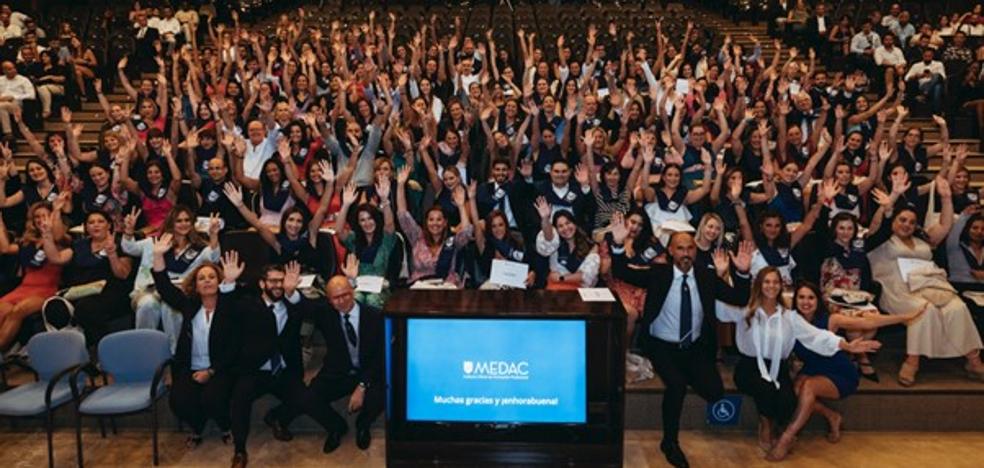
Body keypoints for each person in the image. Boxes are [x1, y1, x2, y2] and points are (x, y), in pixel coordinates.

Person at [608, 227, 752, 468]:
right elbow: (622, 271)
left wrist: (742, 272)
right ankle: (670, 443)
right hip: (661, 345)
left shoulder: (706, 277)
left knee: (715, 392)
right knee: (676, 386)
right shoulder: (658, 273)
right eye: (681, 248)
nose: (686, 253)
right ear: (670, 252)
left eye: (690, 248)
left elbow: (739, 298)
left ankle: (686, 373)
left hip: (694, 347)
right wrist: (618, 245)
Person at [714, 267, 881, 457]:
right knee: (766, 390)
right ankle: (766, 425)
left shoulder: (789, 317)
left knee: (787, 400)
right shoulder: (746, 309)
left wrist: (847, 346)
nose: (771, 286)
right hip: (749, 366)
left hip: (778, 367)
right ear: (759, 285)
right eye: (766, 281)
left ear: (781, 286)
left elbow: (817, 336)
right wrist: (720, 276)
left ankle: (784, 428)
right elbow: (720, 310)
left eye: (775, 282)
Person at [767, 281, 924, 460]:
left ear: (818, 301)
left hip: (838, 370)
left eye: (811, 297)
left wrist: (905, 317)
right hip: (813, 368)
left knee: (808, 386)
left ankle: (787, 437)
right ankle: (832, 416)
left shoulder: (831, 320)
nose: (806, 302)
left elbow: (867, 322)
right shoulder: (792, 321)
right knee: (796, 389)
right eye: (801, 297)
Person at [867, 180, 984, 385]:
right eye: (902, 220)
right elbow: (877, 223)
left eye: (912, 222)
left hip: (930, 286)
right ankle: (913, 361)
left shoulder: (923, 240)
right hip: (898, 289)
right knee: (924, 310)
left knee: (957, 307)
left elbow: (946, 225)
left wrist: (946, 198)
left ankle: (973, 360)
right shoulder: (881, 238)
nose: (907, 225)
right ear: (893, 220)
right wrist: (890, 201)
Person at [227, 262, 338, 468]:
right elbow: (227, 310)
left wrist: (293, 292)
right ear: (262, 284)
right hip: (255, 371)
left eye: (281, 280)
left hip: (285, 371)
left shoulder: (292, 304)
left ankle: (334, 427)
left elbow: (315, 312)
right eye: (273, 281)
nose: (278, 285)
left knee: (307, 397)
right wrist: (229, 282)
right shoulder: (249, 305)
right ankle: (240, 450)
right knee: (239, 399)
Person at [152, 239, 240, 448]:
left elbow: (234, 346)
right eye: (202, 278)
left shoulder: (230, 306)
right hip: (189, 368)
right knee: (178, 400)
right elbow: (165, 289)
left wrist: (211, 371)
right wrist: (157, 256)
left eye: (212, 277)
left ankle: (226, 426)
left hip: (221, 368)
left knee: (213, 398)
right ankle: (197, 427)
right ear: (195, 285)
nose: (207, 281)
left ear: (219, 282)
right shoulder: (189, 305)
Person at [294, 275, 385, 452]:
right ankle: (336, 427)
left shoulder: (373, 316)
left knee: (381, 395)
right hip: (338, 372)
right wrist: (291, 291)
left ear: (353, 292)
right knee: (308, 397)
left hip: (368, 372)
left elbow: (380, 357)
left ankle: (363, 425)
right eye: (336, 298)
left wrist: (362, 385)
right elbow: (303, 307)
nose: (342, 301)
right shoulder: (325, 313)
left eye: (346, 295)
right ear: (329, 300)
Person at [122, 207, 221, 352]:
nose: (183, 224)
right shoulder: (154, 242)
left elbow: (214, 257)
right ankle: (143, 350)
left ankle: (173, 354)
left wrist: (213, 235)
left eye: (187, 220)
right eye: (179, 220)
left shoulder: (198, 248)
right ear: (171, 223)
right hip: (151, 290)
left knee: (171, 308)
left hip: (178, 293)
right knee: (147, 305)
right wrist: (129, 231)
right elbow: (129, 248)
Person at [0, 203, 72, 350]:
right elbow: (5, 248)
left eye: (44, 215)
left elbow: (57, 235)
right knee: (3, 309)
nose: (40, 219)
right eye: (37, 217)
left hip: (45, 290)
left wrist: (55, 214)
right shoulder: (29, 242)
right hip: (23, 288)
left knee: (17, 311)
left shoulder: (61, 239)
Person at [395, 165, 473, 288]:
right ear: (426, 222)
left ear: (445, 222)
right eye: (431, 219)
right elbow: (403, 215)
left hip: (446, 286)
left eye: (439, 220)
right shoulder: (417, 236)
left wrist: (461, 206)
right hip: (421, 286)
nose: (435, 223)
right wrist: (400, 186)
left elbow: (467, 232)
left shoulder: (452, 241)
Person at [535, 197, 600, 291]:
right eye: (560, 226)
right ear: (556, 230)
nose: (565, 228)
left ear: (575, 224)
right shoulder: (556, 243)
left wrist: (561, 278)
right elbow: (548, 238)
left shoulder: (591, 246)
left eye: (568, 223)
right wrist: (545, 219)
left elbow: (586, 275)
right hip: (555, 289)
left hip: (579, 290)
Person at [0, 60, 35, 141]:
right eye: (9, 69)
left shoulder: (23, 80)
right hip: (2, 102)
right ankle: (7, 134)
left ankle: (8, 133)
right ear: (4, 71)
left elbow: (31, 95)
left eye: (14, 68)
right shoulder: (0, 80)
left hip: (16, 105)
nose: (13, 70)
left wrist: (13, 97)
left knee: (1, 107)